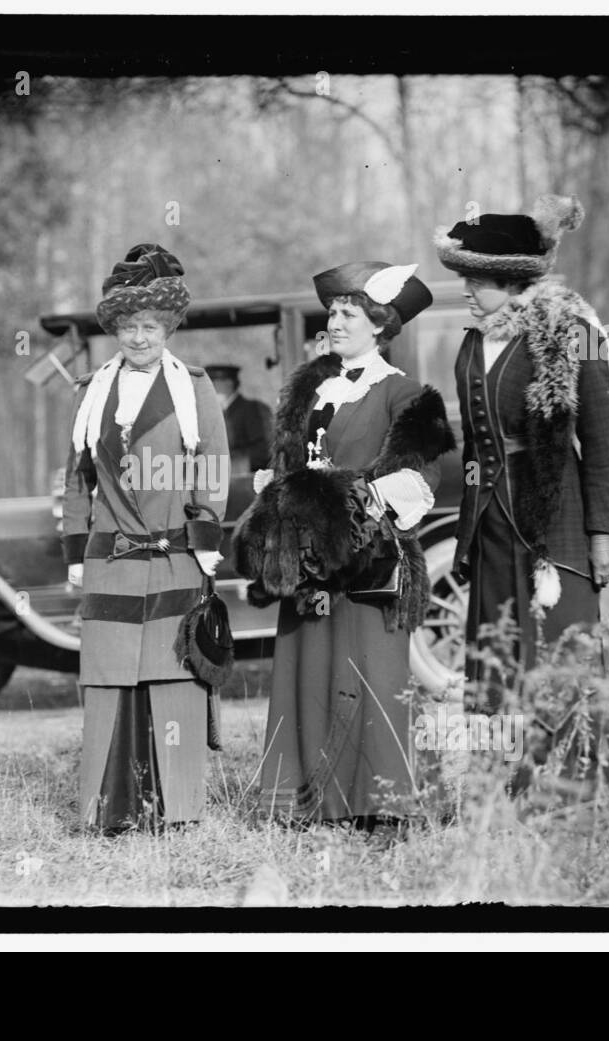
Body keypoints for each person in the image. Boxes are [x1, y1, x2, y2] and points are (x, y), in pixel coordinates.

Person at [234, 262, 456, 829]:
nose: (334, 322)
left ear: (379, 326)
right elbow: (285, 464)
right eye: (332, 312)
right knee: (308, 674)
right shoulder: (308, 388)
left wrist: (342, 501)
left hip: (368, 564)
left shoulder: (407, 396)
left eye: (348, 314)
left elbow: (417, 482)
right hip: (304, 565)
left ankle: (384, 806)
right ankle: (308, 802)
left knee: (372, 676)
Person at [433, 195, 609, 712]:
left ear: (513, 282)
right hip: (491, 524)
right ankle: (503, 789)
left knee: (559, 657)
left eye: (477, 283)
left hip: (554, 521)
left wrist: (602, 535)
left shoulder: (571, 334)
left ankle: (572, 786)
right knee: (499, 659)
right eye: (466, 281)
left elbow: (603, 441)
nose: (467, 293)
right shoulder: (473, 344)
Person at [61, 243, 230, 834]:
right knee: (108, 680)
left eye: (151, 326)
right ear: (116, 329)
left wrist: (206, 537)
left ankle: (177, 809)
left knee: (173, 676)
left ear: (169, 328)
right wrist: (77, 550)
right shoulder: (91, 393)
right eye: (129, 327)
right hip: (111, 559)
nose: (139, 338)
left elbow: (211, 463)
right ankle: (110, 809)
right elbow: (77, 476)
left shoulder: (195, 389)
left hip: (174, 555)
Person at [206, 364, 273, 474]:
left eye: (214, 384)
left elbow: (264, 449)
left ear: (229, 383)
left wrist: (232, 462)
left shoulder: (252, 409)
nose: (210, 389)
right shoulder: (211, 413)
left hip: (245, 480)